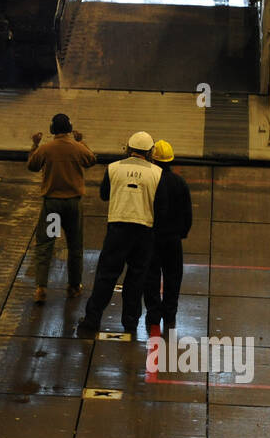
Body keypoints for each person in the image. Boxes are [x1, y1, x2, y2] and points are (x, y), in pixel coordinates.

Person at [75, 130, 163, 339]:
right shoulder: (157, 173)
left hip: (118, 229)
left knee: (106, 276)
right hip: (144, 230)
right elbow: (160, 206)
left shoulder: (113, 168)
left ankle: (92, 319)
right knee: (136, 279)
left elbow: (105, 195)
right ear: (149, 152)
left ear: (128, 149)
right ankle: (130, 323)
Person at [27, 113, 96, 303]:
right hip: (73, 205)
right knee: (74, 246)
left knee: (46, 245)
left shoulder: (46, 149)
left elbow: (32, 166)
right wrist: (81, 141)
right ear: (69, 128)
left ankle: (41, 287)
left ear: (52, 130)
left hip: (53, 206)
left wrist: (35, 145)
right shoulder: (77, 147)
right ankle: (74, 286)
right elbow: (91, 160)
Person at [144, 139, 193, 337]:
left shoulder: (151, 180)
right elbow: (187, 213)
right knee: (173, 276)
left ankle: (153, 315)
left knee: (152, 276)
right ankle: (170, 314)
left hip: (153, 237)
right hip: (173, 239)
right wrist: (182, 232)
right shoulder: (180, 182)